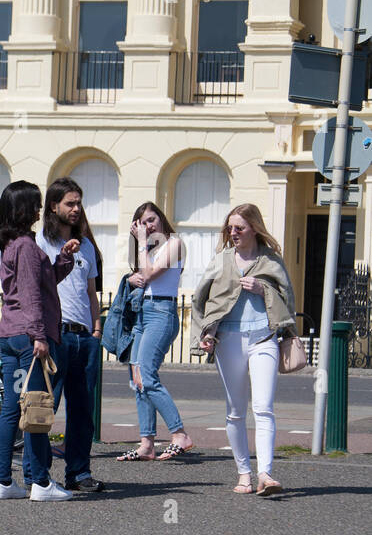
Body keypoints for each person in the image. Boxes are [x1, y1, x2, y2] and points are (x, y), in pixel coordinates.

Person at [190, 204, 297, 496]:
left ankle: (265, 473)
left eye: (239, 227)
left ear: (254, 228)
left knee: (263, 408)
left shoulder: (271, 260)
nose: (233, 233)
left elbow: (288, 300)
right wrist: (206, 333)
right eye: (230, 228)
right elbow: (202, 300)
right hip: (229, 341)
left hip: (264, 338)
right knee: (236, 412)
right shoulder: (221, 260)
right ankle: (244, 473)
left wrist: (264, 290)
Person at [0, 180, 79, 502]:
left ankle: (3, 481)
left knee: (12, 410)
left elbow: (40, 284)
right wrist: (40, 336)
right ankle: (40, 483)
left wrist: (63, 261)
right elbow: (31, 296)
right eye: (36, 204)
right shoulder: (26, 246)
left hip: (9, 336)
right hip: (29, 339)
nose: (40, 209)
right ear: (24, 208)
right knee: (38, 410)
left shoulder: (10, 243)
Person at [36, 177, 104, 493]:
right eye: (70, 203)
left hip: (85, 338)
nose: (76, 209)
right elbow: (38, 287)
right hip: (56, 335)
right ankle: (39, 476)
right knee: (45, 408)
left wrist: (96, 329)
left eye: (79, 203)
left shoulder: (87, 244)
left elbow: (91, 292)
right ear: (54, 206)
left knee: (83, 413)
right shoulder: (41, 242)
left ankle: (78, 474)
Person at [115, 201, 195, 462]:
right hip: (142, 312)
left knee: (147, 376)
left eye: (151, 220)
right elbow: (140, 277)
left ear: (161, 219)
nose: (148, 226)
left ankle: (179, 434)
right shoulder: (147, 248)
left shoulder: (174, 243)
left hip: (161, 313)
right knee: (137, 382)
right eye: (142, 222)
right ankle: (147, 443)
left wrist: (139, 242)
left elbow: (149, 275)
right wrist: (130, 278)